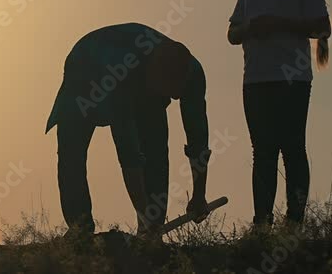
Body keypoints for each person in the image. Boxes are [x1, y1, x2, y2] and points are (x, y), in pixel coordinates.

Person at [45, 23, 212, 236]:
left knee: (156, 148)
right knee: (72, 150)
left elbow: (198, 138)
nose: (174, 98)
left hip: (137, 77)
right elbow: (129, 154)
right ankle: (80, 228)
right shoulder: (120, 75)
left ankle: (153, 227)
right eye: (166, 92)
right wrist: (143, 214)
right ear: (151, 77)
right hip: (86, 68)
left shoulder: (194, 73)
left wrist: (199, 195)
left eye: (176, 92)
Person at [229, 0, 331, 226]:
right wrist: (252, 27)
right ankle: (262, 223)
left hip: (292, 80)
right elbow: (233, 34)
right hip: (256, 79)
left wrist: (281, 24)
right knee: (263, 152)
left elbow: (322, 27)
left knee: (292, 148)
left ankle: (294, 223)